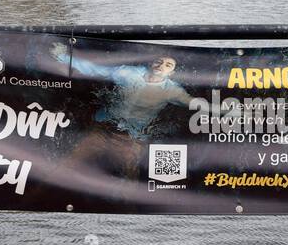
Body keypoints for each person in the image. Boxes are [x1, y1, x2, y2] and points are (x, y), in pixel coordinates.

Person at [49, 43, 192, 179]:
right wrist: (63, 56)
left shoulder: (173, 91)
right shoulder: (128, 73)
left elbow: (195, 103)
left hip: (132, 138)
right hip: (103, 128)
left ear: (171, 73)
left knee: (130, 178)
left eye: (168, 65)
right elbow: (95, 70)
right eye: (159, 61)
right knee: (68, 163)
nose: (161, 66)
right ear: (151, 63)